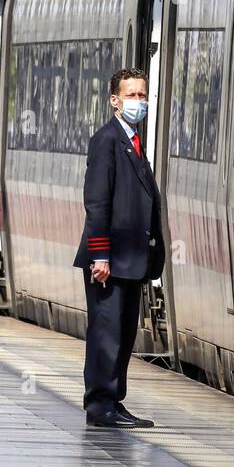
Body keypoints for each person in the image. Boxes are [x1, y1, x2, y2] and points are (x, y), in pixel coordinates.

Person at [74, 67, 165, 429]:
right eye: (131, 95)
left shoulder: (133, 141)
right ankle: (99, 404)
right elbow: (96, 201)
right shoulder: (107, 140)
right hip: (109, 259)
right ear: (115, 101)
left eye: (142, 95)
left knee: (124, 332)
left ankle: (113, 399)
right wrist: (99, 254)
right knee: (106, 332)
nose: (138, 102)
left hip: (129, 259)